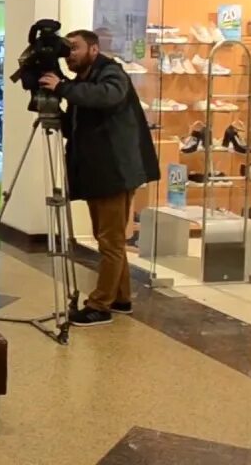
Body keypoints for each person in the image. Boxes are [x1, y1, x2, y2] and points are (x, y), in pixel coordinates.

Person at [39, 29, 158, 327]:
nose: (70, 54)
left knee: (110, 240)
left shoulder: (111, 73)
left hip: (114, 171)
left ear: (94, 49)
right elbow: (78, 124)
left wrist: (62, 87)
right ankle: (121, 298)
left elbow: (106, 97)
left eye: (75, 47)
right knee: (110, 239)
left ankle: (99, 305)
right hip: (100, 171)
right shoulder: (83, 81)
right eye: (67, 49)